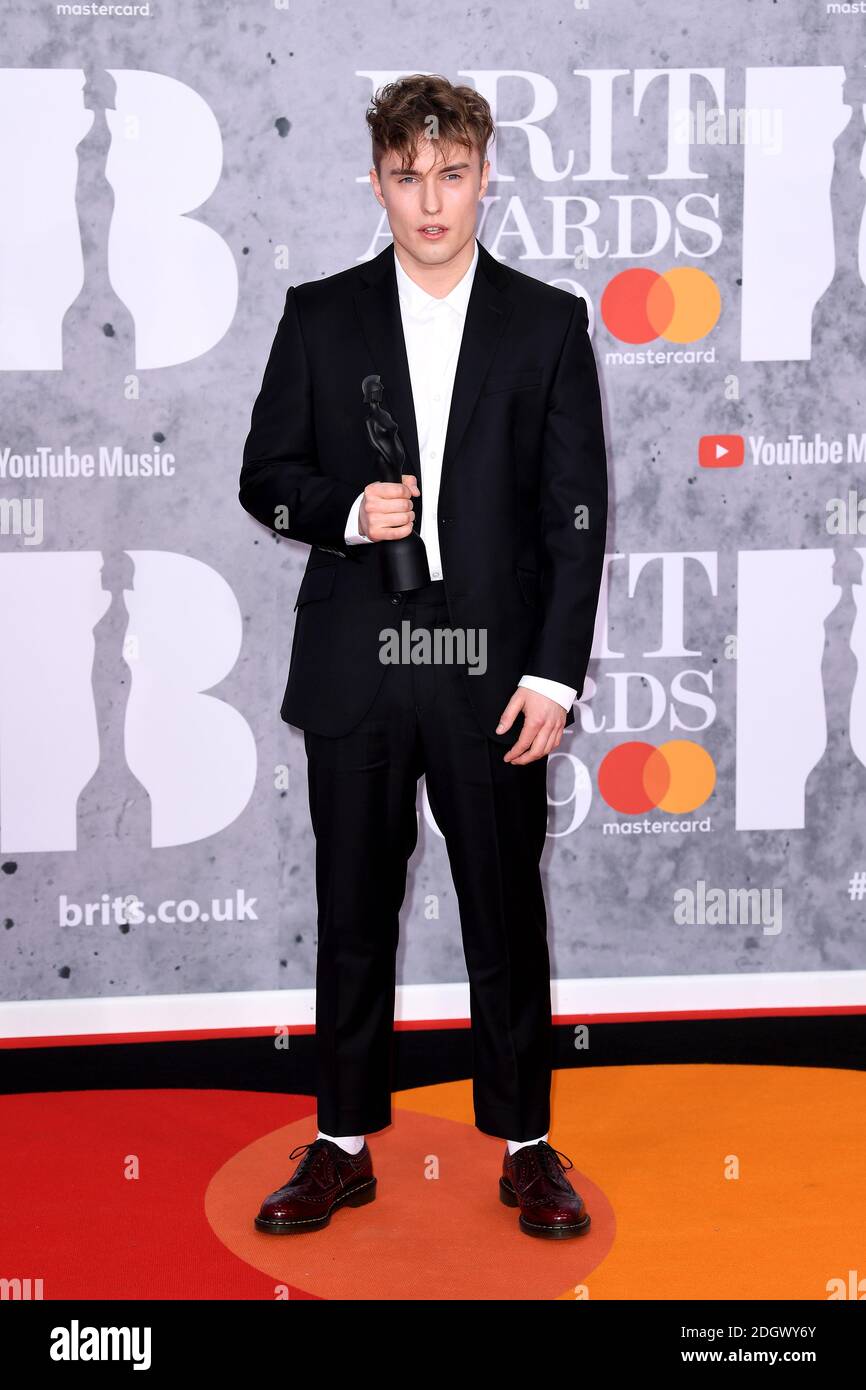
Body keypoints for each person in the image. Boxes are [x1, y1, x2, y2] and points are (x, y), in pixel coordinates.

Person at [239, 73, 607, 1239]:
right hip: (360, 653)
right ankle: (342, 1144)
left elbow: (575, 516)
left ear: (484, 175)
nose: (431, 201)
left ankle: (526, 1146)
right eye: (408, 177)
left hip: (492, 668)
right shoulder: (319, 314)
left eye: (451, 174)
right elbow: (263, 478)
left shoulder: (545, 321)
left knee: (504, 910)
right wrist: (347, 513)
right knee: (352, 906)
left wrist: (551, 675)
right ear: (377, 181)